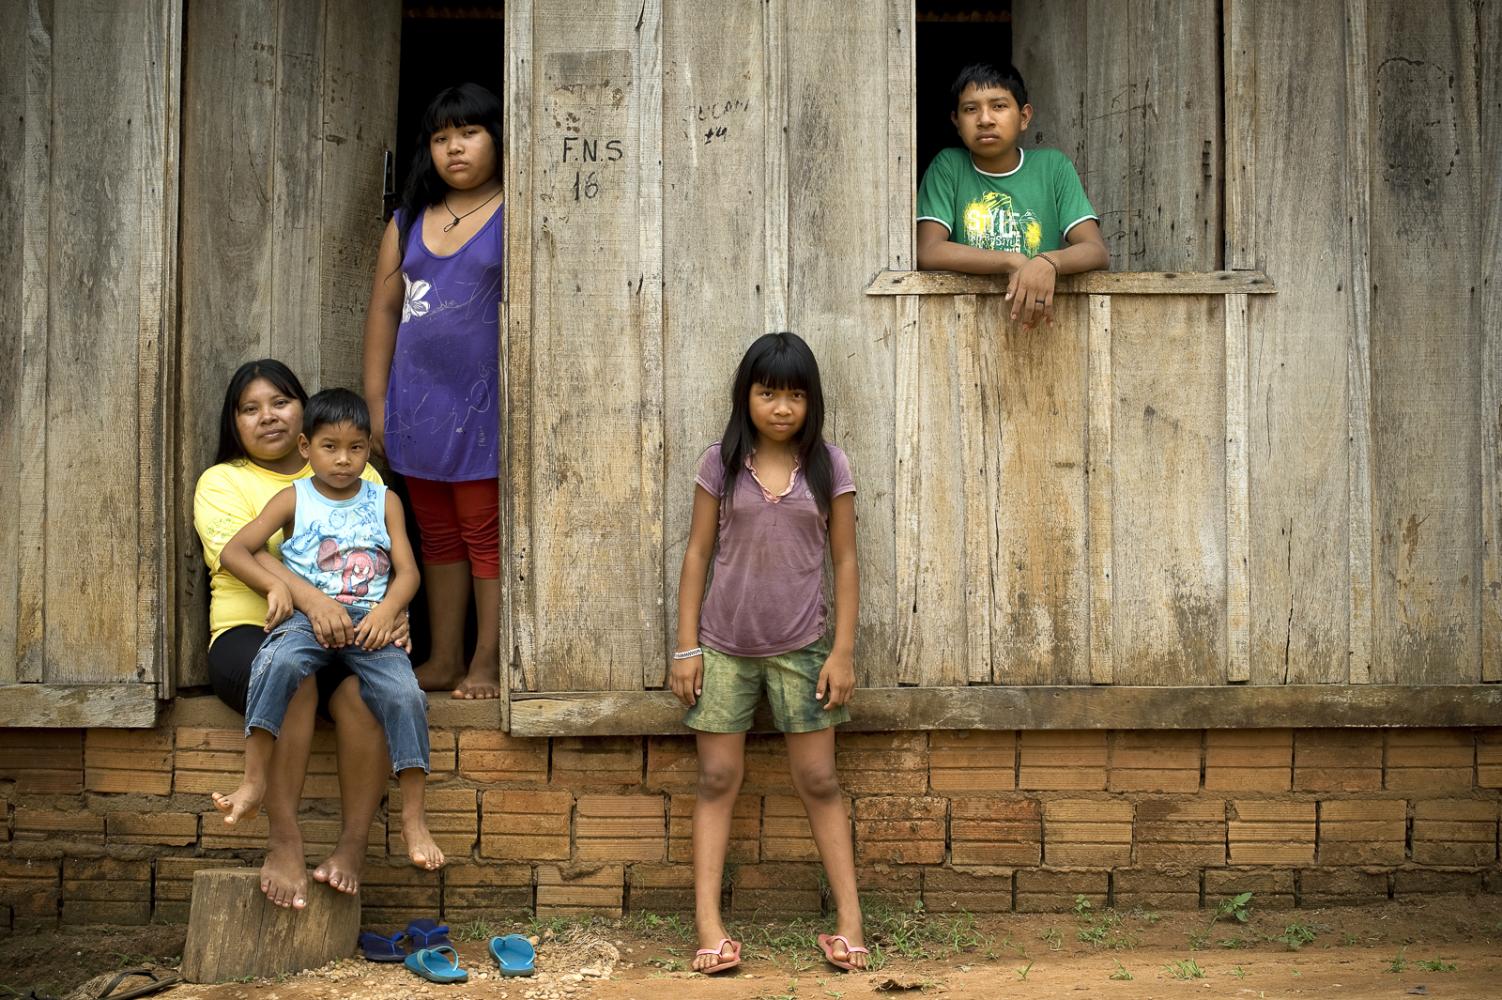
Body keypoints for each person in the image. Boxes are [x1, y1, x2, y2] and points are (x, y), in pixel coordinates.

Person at [671, 332, 867, 975]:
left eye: (794, 394)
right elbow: (697, 554)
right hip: (723, 650)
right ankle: (709, 926)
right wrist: (686, 647)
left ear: (810, 402)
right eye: (767, 393)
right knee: (718, 779)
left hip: (805, 650)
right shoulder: (721, 463)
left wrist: (841, 651)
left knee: (819, 780)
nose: (781, 407)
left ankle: (848, 923)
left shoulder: (828, 466)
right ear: (746, 397)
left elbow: (844, 559)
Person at [193, 360, 399, 907]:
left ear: (303, 415)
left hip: (347, 634)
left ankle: (352, 848)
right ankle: (284, 840)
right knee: (297, 682)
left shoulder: (359, 474)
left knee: (367, 694)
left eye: (280, 402)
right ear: (234, 422)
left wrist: (396, 613)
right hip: (251, 630)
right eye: (250, 409)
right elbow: (244, 554)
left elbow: (384, 560)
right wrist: (312, 598)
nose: (268, 418)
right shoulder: (224, 482)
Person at [214, 388, 442, 871]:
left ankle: (414, 818)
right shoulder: (291, 497)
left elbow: (408, 571)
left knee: (405, 694)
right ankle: (253, 781)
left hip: (370, 626)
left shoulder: (385, 500)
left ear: (368, 449)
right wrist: (289, 594)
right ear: (305, 448)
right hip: (306, 620)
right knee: (276, 662)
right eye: (329, 447)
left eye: (356, 448)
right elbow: (235, 551)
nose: (343, 460)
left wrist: (388, 610)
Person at [364, 82, 504, 700]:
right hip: (417, 402)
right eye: (441, 137)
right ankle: (444, 658)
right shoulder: (407, 221)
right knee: (438, 535)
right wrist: (375, 405)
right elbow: (383, 312)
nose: (455, 148)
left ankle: (486, 662)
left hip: (483, 405)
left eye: (469, 133)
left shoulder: (516, 211)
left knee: (484, 533)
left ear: (498, 139)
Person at [916, 62, 1109, 330]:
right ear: (956, 122)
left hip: (1045, 326)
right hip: (965, 324)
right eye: (971, 109)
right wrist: (1013, 260)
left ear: (1024, 116)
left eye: (999, 106)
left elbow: (1095, 250)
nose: (985, 119)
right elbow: (928, 250)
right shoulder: (949, 166)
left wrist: (1048, 262)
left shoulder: (1052, 167)